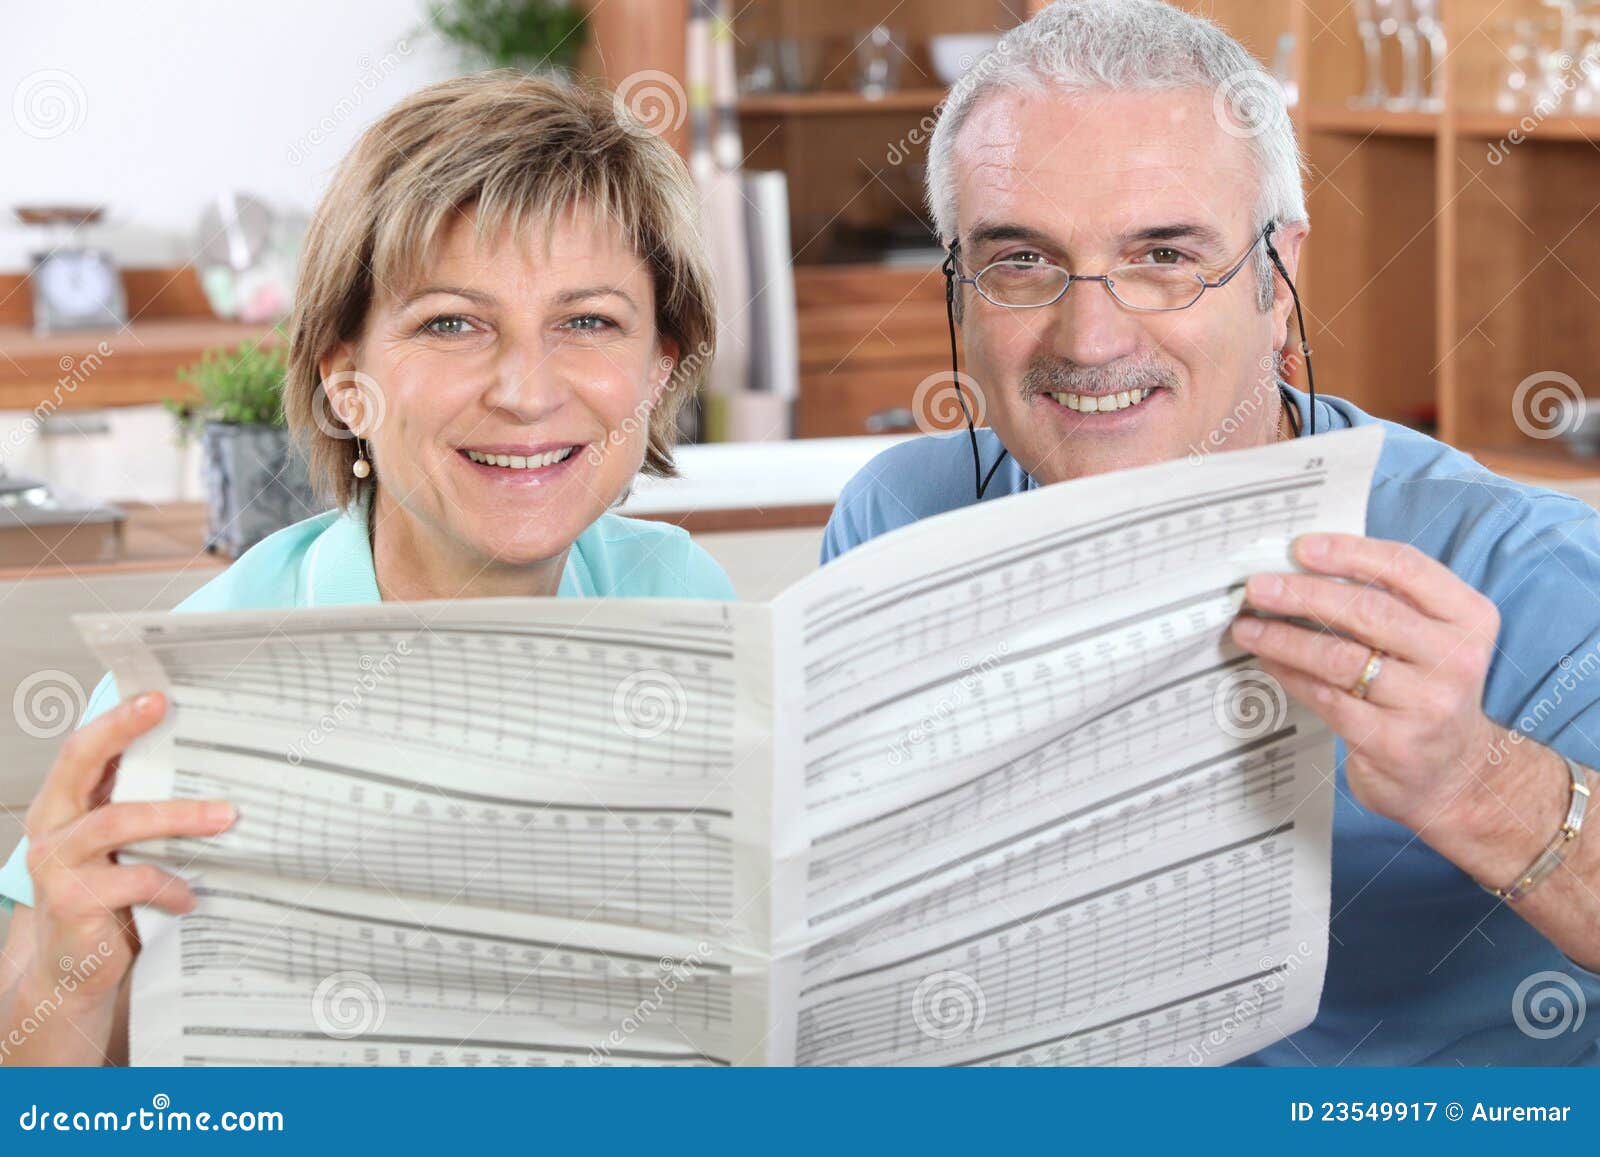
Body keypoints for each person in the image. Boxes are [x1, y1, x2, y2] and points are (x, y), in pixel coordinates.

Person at [822, 0, 1600, 1065]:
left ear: (1279, 281)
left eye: (1163, 255)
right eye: (1020, 261)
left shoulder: (1527, 570)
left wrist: (1475, 781)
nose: (1089, 337)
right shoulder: (899, 517)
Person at [0, 71, 731, 1064]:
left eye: (588, 320)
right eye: (452, 322)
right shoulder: (179, 684)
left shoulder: (683, 598)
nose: (525, 389)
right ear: (346, 381)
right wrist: (64, 978)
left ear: (657, 367)